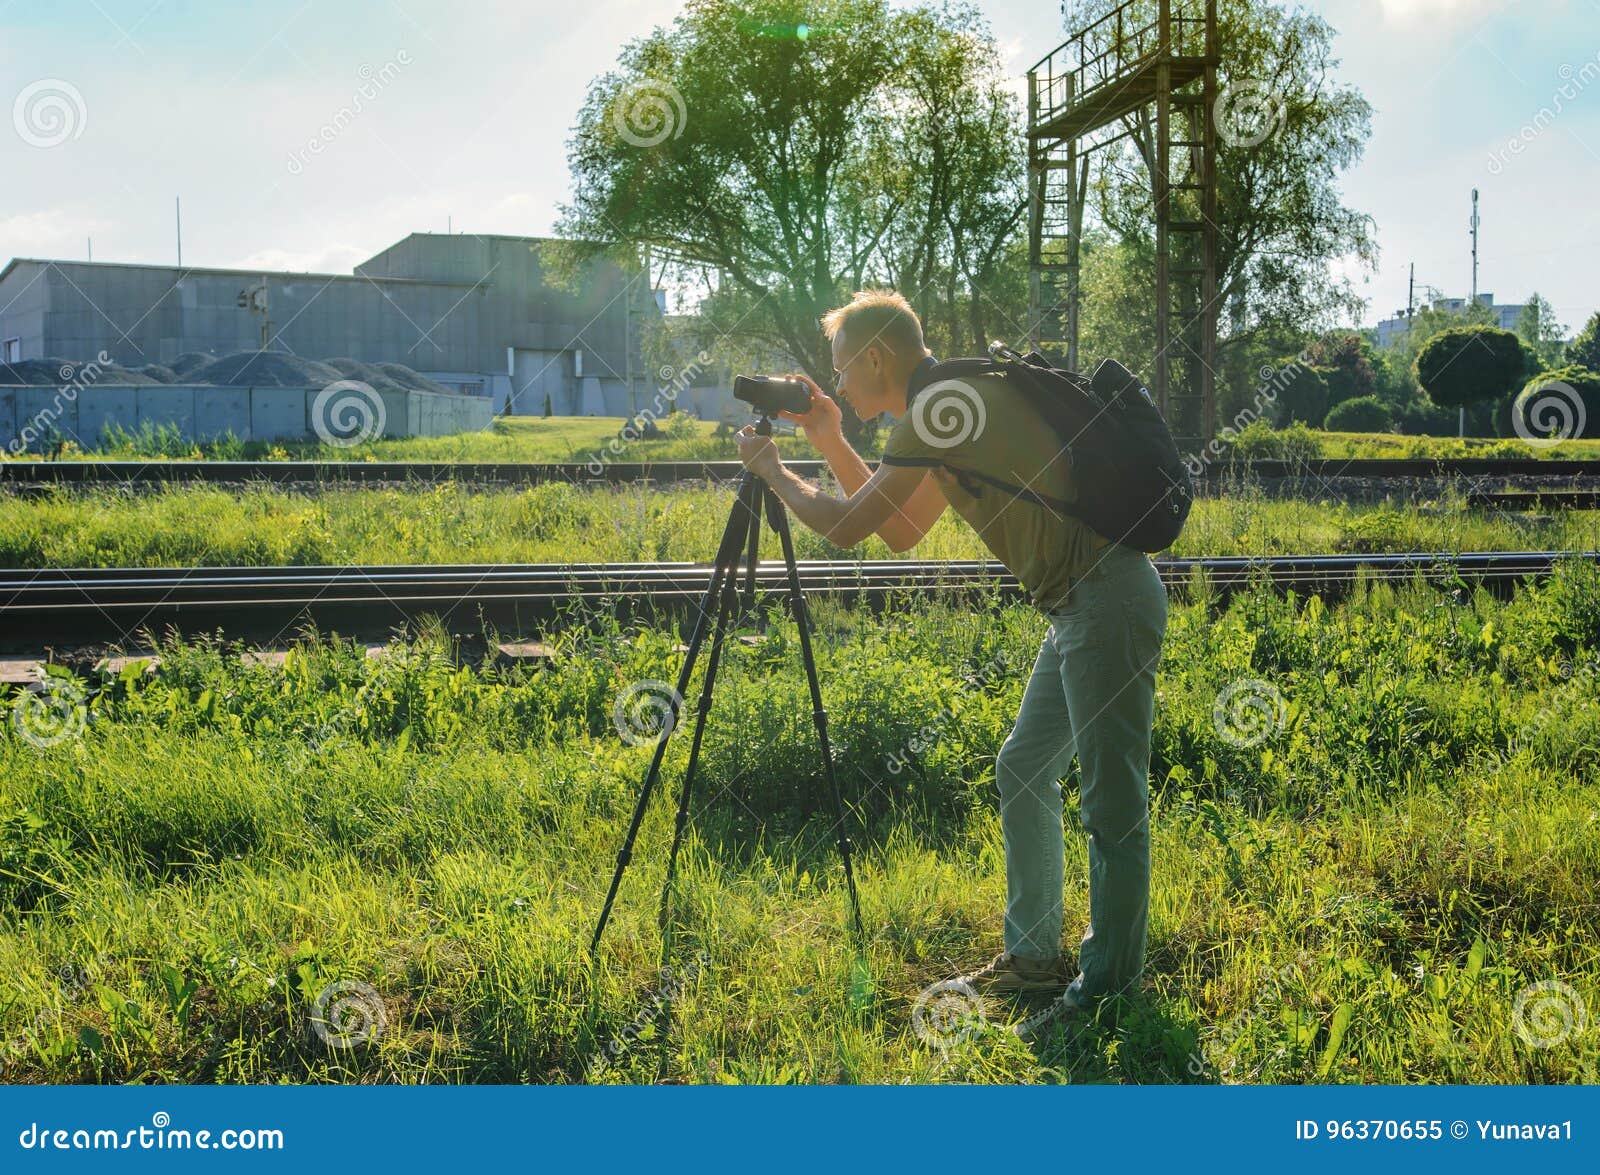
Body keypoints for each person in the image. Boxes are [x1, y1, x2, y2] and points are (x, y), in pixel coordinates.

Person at [734, 289, 1167, 1037]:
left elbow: (846, 525)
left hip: (1106, 600)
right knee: (1026, 766)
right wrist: (832, 435)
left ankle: (1107, 994)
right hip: (1079, 605)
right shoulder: (947, 407)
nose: (835, 384)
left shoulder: (941, 409)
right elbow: (898, 525)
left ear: (877, 357)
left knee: (1113, 809)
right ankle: (1033, 957)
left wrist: (775, 471)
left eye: (841, 369)